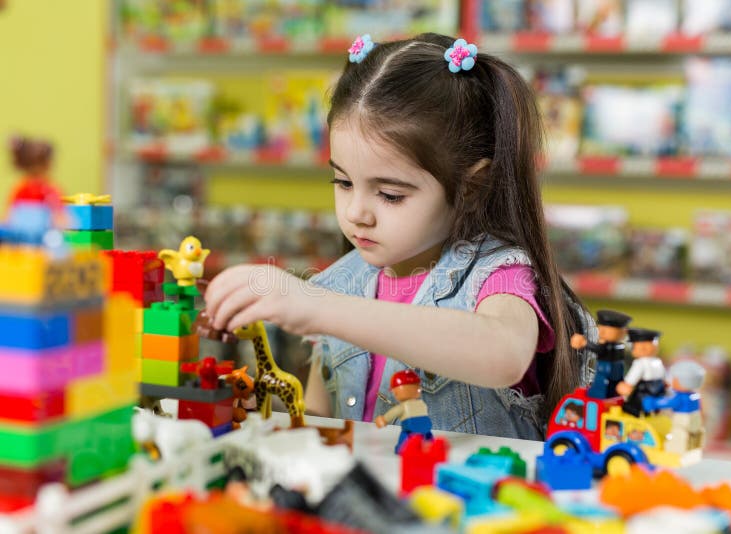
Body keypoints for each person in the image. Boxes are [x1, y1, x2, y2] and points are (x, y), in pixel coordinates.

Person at [204, 33, 593, 440]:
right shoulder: (342, 283)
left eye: (390, 195)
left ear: (473, 187)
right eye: (342, 182)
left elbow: (504, 353)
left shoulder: (497, 273)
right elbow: (320, 419)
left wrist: (316, 307)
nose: (356, 213)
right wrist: (261, 414)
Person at [571, 309, 631, 399]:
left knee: (599, 387)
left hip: (604, 373)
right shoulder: (620, 347)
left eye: (606, 330)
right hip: (615, 373)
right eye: (601, 328)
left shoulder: (610, 347)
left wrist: (584, 343)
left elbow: (600, 349)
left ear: (623, 332)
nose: (602, 332)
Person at [374, 369, 433, 454]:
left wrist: (383, 420)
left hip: (410, 428)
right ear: (418, 389)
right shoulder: (422, 403)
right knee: (427, 435)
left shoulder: (403, 406)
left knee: (404, 435)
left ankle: (402, 448)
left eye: (395, 392)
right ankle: (429, 444)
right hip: (426, 427)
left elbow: (392, 413)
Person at [616, 328, 666, 416]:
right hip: (658, 391)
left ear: (643, 348)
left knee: (629, 406)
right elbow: (663, 377)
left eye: (633, 347)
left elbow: (632, 378)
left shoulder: (640, 363)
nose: (632, 350)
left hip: (644, 393)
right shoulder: (658, 361)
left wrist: (626, 385)